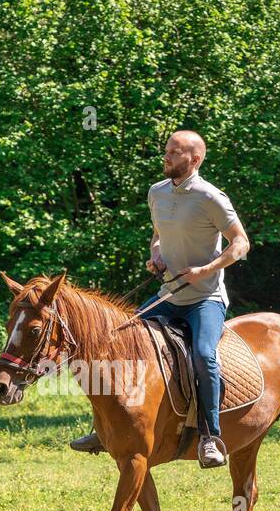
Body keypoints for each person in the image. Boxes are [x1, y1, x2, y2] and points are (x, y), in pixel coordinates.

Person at [70, 130, 250, 467]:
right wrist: (157, 257)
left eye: (173, 152)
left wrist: (207, 268)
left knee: (203, 355)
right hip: (167, 294)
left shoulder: (211, 197)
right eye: (166, 150)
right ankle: (101, 428)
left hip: (205, 299)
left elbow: (241, 243)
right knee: (113, 342)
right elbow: (157, 236)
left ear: (194, 159)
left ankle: (211, 438)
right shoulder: (157, 193)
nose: (165, 157)